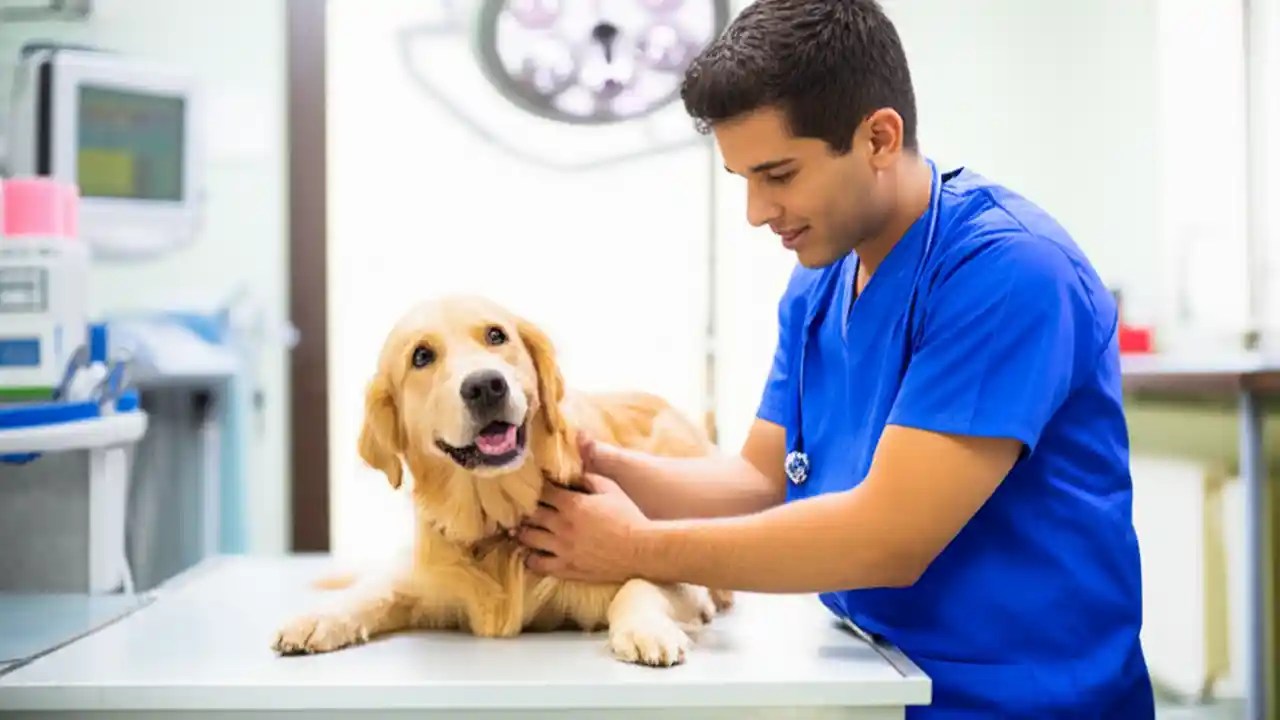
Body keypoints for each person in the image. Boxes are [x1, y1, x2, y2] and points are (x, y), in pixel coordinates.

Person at [515, 0, 1155, 717]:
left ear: (880, 137)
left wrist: (637, 547)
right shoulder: (821, 280)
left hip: (1019, 699)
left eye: (779, 174)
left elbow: (889, 538)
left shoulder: (1010, 275)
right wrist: (596, 463)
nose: (757, 211)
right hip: (873, 677)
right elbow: (760, 476)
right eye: (744, 180)